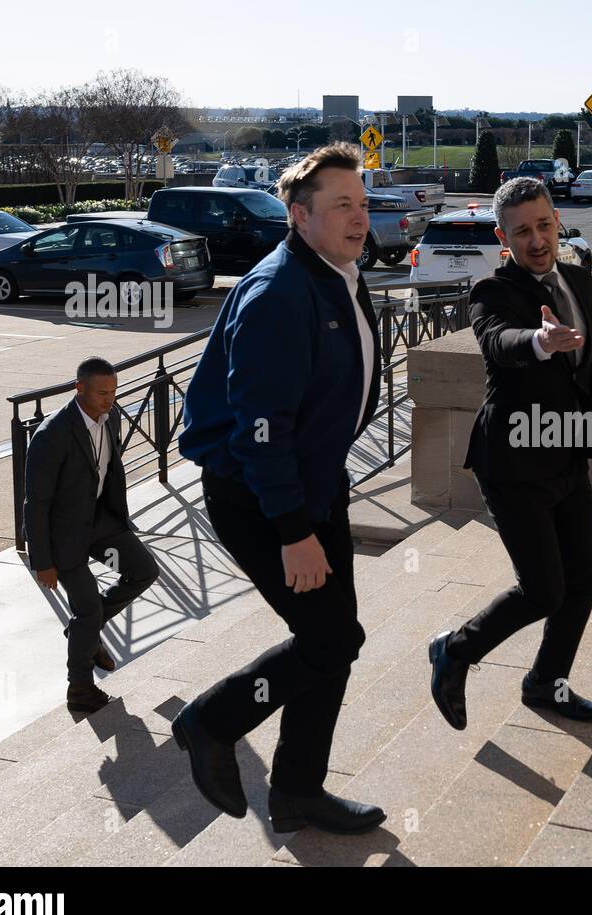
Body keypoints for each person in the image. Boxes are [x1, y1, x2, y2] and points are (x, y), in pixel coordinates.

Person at [172, 143, 385, 835]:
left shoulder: (337, 273)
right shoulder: (279, 293)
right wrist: (293, 530)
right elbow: (260, 431)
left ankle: (296, 791)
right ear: (299, 216)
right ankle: (212, 721)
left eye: (361, 202)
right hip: (261, 494)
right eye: (340, 206)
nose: (358, 218)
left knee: (331, 642)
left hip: (315, 483)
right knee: (328, 641)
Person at [428, 176, 592, 732]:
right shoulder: (492, 292)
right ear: (504, 238)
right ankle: (454, 650)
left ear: (557, 221)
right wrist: (540, 342)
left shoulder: (579, 281)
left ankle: (547, 682)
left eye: (544, 225)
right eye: (522, 232)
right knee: (544, 589)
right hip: (513, 462)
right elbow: (500, 340)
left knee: (586, 577)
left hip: (565, 451)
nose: (537, 240)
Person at [24, 356, 160, 713]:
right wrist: (43, 563)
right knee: (85, 610)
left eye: (113, 392)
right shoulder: (51, 436)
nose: (109, 399)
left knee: (144, 570)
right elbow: (35, 504)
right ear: (79, 388)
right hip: (61, 534)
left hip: (99, 521)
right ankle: (80, 690)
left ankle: (85, 633)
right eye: (102, 393)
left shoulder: (111, 417)